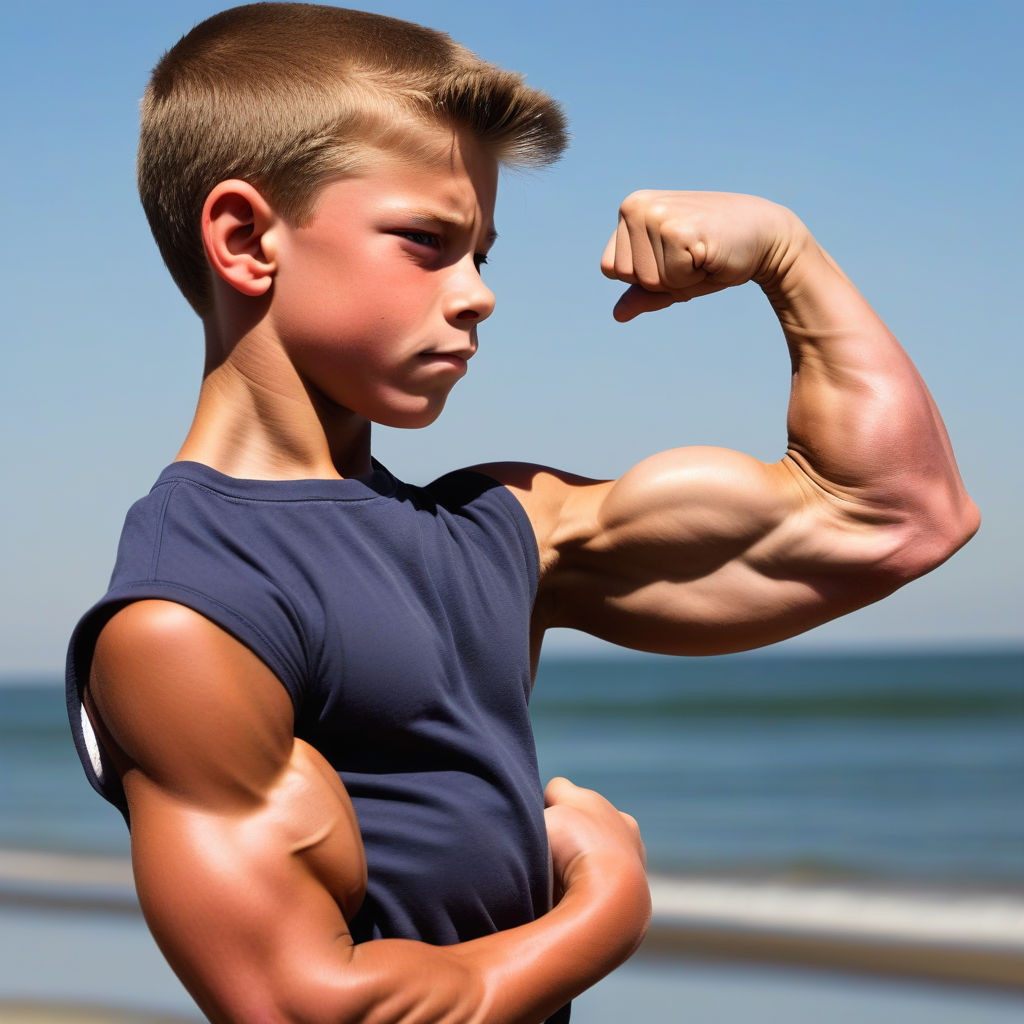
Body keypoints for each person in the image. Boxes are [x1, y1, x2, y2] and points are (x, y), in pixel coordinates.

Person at [65, 3, 978, 1023]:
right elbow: (320, 1012)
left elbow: (896, 515)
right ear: (244, 238)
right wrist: (609, 906)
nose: (477, 295)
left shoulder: (502, 529)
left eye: (481, 255)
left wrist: (785, 253)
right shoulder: (190, 619)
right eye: (426, 242)